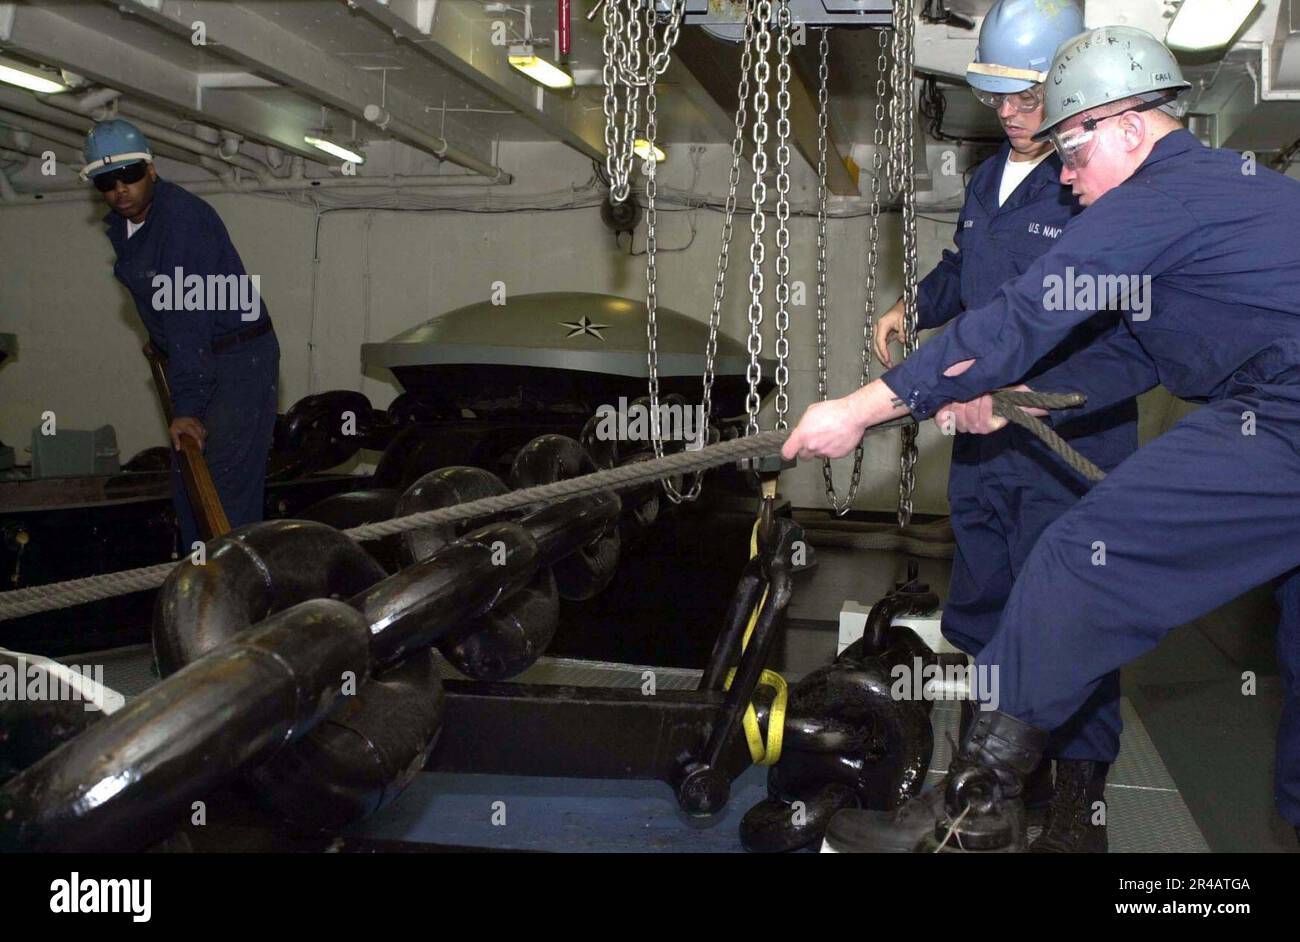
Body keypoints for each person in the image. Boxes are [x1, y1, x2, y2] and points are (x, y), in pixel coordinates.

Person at [784, 25, 1300, 851]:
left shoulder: (1161, 195)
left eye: (1071, 149)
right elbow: (1138, 350)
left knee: (1080, 557)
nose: (1063, 175)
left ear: (1129, 129)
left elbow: (1025, 316)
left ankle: (971, 810)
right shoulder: (1200, 202)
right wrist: (1014, 398)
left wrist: (860, 408)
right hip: (1273, 397)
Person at [872, 0, 1133, 852]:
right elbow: (965, 267)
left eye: (1029, 100)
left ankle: (1074, 814)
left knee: (1068, 625)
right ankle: (983, 792)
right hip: (983, 444)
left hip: (1066, 451)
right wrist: (917, 304)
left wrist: (1038, 394)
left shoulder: (1104, 190)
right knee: (981, 613)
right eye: (1000, 100)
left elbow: (1123, 334)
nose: (1012, 117)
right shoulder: (991, 180)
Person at [85, 119, 279, 550]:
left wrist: (187, 406)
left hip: (238, 359)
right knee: (191, 482)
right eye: (106, 181)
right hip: (199, 354)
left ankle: (238, 590)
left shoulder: (182, 223)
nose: (120, 189)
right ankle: (199, 584)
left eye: (130, 176)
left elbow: (187, 318)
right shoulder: (127, 224)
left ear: (151, 169)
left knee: (221, 486)